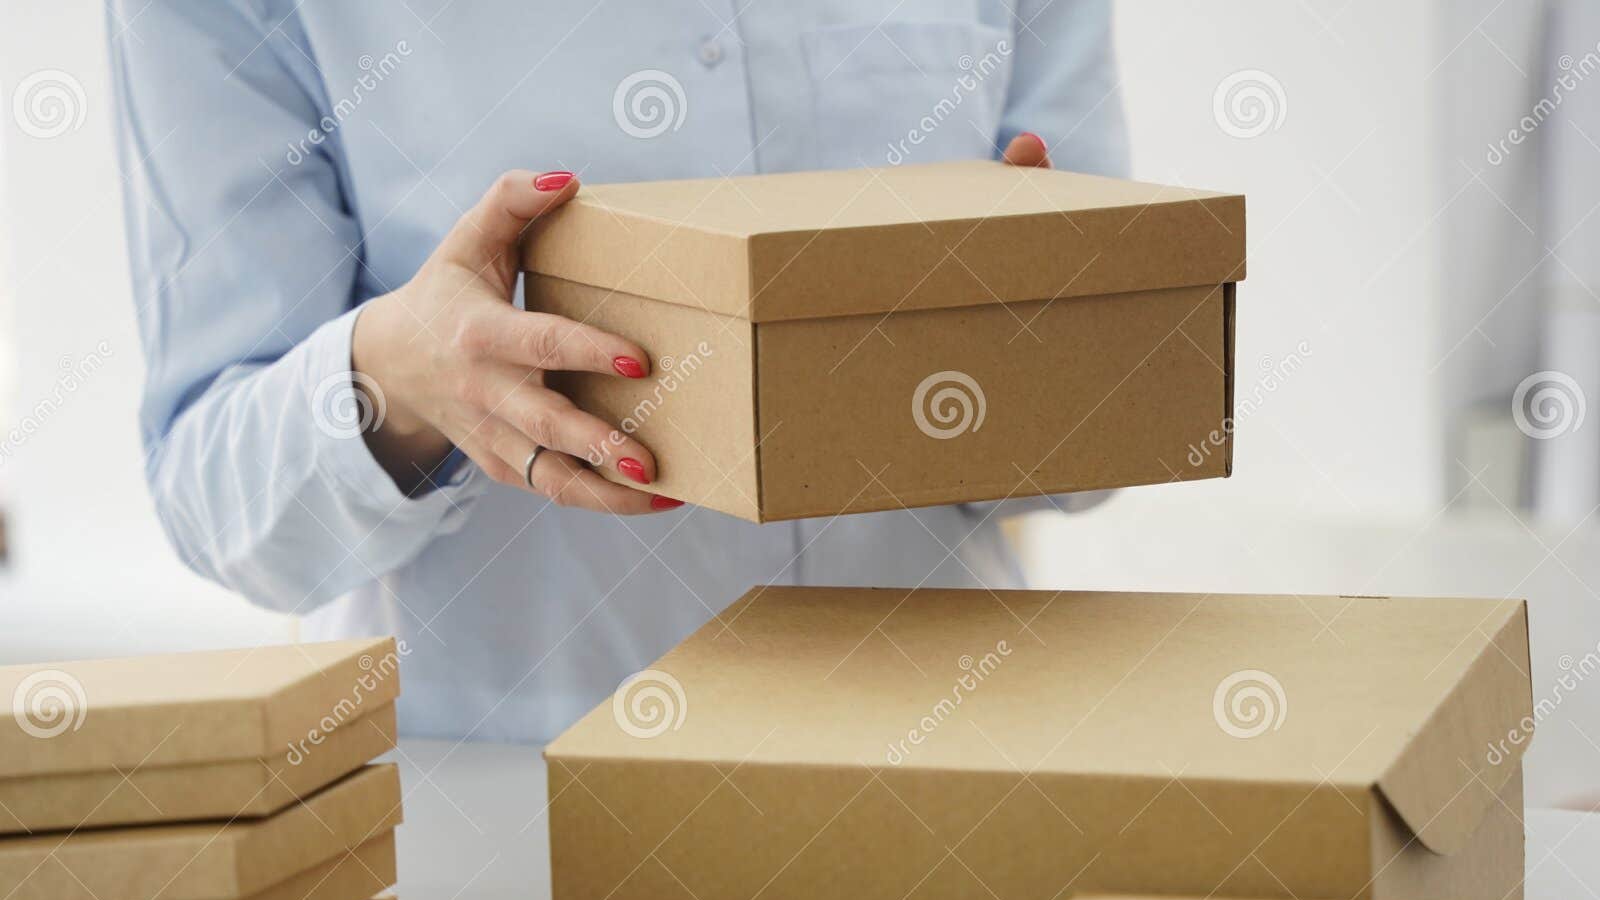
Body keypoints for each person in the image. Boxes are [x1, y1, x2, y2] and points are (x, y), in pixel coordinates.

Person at [108, 1, 1128, 743]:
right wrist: (400, 381)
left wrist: (1051, 361)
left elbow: (1122, 416)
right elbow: (212, 494)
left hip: (950, 762)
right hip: (505, 824)